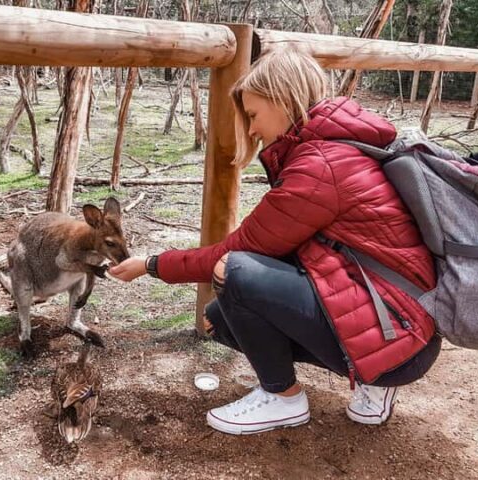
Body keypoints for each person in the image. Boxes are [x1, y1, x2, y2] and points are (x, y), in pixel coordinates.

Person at [109, 49, 441, 435]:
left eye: (253, 115)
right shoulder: (331, 148)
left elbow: (235, 252)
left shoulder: (322, 166)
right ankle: (369, 377)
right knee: (220, 321)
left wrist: (151, 264)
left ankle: (283, 397)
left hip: (398, 335)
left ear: (284, 99)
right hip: (397, 323)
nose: (251, 130)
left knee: (234, 271)